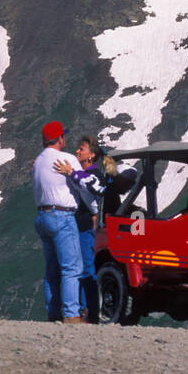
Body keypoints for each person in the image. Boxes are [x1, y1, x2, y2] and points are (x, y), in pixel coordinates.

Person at [33, 120, 86, 324]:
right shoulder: (66, 158)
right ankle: (71, 314)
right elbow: (83, 185)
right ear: (60, 138)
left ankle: (53, 313)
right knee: (71, 267)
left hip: (42, 216)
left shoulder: (37, 162)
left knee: (52, 268)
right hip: (62, 215)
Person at [54, 136, 106, 323]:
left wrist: (71, 173)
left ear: (91, 155)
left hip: (86, 228)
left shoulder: (94, 174)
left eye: (81, 149)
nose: (77, 152)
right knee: (79, 267)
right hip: (79, 225)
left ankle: (90, 311)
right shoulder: (81, 172)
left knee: (87, 268)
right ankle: (82, 309)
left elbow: (95, 187)